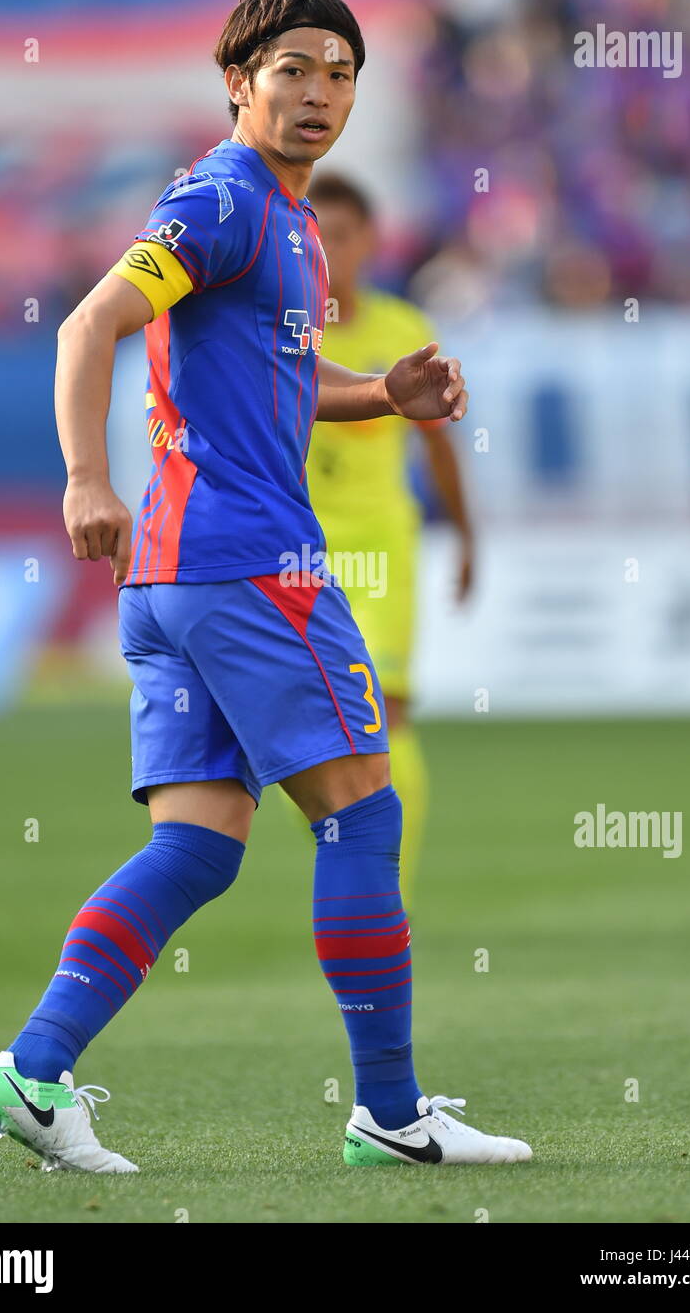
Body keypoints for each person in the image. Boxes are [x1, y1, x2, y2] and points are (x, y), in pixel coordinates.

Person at [0, 0, 530, 1172]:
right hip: (247, 564)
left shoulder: (287, 225)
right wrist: (81, 474)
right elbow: (90, 322)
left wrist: (382, 390)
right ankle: (389, 1108)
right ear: (236, 80)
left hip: (175, 581)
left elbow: (275, 378)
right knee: (363, 818)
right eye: (291, 70)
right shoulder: (224, 199)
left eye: (340, 73)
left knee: (198, 844)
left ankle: (34, 1069)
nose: (319, 92)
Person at [304, 172, 474, 909]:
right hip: (293, 552)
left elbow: (439, 447)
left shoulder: (402, 330)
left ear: (370, 241)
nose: (327, 250)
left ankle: (385, 888)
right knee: (303, 724)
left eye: (341, 235)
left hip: (382, 549)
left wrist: (467, 535)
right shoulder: (277, 328)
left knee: (384, 711)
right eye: (315, 236)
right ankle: (343, 842)